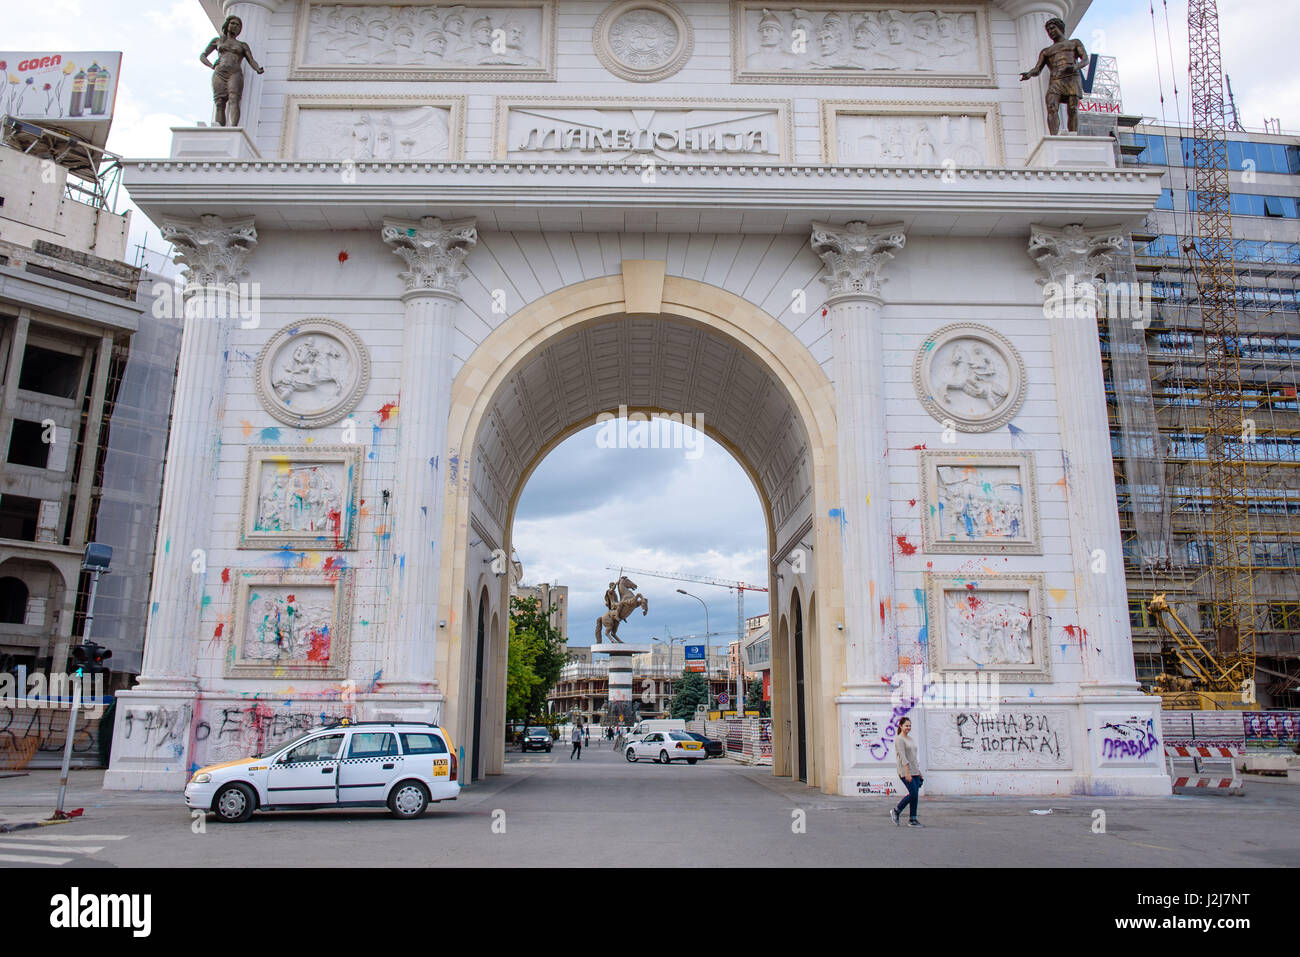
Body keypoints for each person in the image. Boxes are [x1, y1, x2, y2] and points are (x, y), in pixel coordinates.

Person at [1019, 17, 1088, 136]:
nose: (1050, 32)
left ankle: (1073, 135)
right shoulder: (1046, 51)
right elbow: (1037, 69)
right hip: (1056, 80)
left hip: (1072, 77)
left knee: (1073, 108)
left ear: (1060, 28)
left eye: (1052, 28)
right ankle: (1054, 136)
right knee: (1051, 106)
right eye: (1048, 30)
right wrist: (1029, 74)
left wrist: (1075, 67)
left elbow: (1085, 60)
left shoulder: (1074, 43)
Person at [200, 15, 265, 128]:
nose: (235, 26)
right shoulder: (218, 40)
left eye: (237, 25)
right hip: (220, 71)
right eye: (233, 23)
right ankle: (219, 129)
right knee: (219, 101)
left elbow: (251, 60)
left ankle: (234, 128)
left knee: (234, 98)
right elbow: (203, 56)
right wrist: (211, 65)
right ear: (227, 24)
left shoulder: (242, 45)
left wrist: (258, 68)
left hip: (234, 73)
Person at [890, 717, 925, 827]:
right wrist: (907, 772)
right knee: (913, 793)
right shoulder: (899, 739)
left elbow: (913, 757)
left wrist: (918, 771)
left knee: (915, 795)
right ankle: (896, 810)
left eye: (909, 725)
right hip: (905, 771)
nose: (908, 728)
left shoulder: (910, 739)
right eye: (906, 725)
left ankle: (912, 819)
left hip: (914, 770)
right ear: (900, 726)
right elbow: (902, 757)